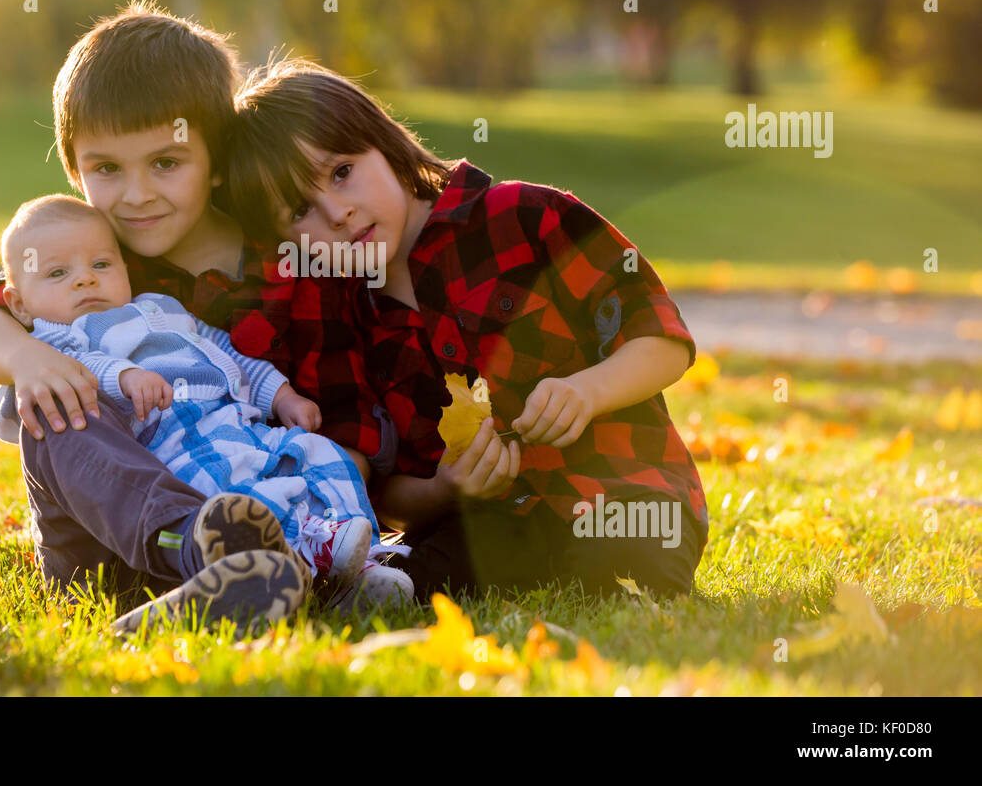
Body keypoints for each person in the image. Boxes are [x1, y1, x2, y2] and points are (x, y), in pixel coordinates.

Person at [0, 0, 394, 627]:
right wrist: (26, 357)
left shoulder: (286, 265)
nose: (137, 195)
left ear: (216, 159)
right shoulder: (94, 261)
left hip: (266, 506)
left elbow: (343, 419)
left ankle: (257, 582)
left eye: (167, 163)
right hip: (110, 543)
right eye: (107, 169)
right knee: (56, 407)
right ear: (76, 172)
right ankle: (195, 547)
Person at [225, 57, 710, 601]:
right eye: (299, 210)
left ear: (383, 143)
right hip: (483, 522)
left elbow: (661, 338)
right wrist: (447, 489)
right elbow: (378, 491)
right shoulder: (336, 321)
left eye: (341, 172)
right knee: (419, 579)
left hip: (619, 489)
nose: (337, 212)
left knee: (625, 553)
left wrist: (585, 392)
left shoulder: (527, 217)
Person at [0, 192, 412, 611]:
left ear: (126, 269)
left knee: (323, 456)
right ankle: (288, 559)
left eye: (101, 264)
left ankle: (357, 561)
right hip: (168, 445)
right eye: (57, 273)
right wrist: (124, 376)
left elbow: (224, 350)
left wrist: (280, 394)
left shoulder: (163, 309)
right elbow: (74, 368)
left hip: (234, 424)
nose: (85, 279)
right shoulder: (50, 339)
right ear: (18, 303)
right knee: (234, 494)